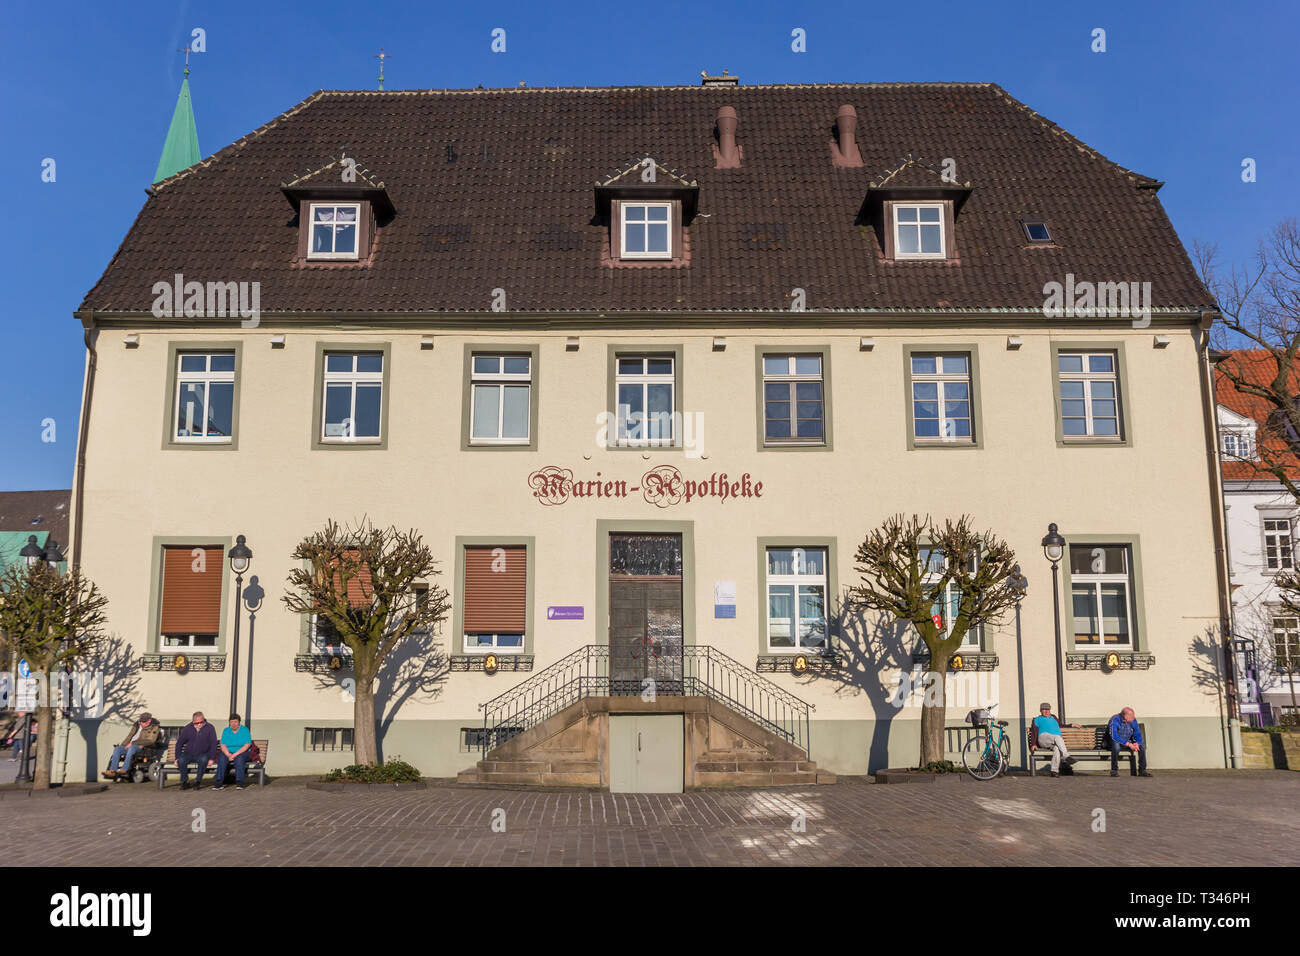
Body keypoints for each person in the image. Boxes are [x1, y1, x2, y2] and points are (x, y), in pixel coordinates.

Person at [1032, 702, 1082, 777]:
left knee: (1057, 749)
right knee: (1057, 737)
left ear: (1050, 710)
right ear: (1040, 711)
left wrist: (1072, 725)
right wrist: (1033, 744)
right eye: (1044, 709)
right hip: (1043, 738)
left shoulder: (1054, 717)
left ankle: (1054, 771)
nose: (1046, 711)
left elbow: (1061, 725)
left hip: (1053, 741)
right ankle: (1066, 756)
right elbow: (1034, 732)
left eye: (1047, 709)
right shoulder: (1037, 719)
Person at [104, 712, 161, 779]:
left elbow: (151, 741)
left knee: (131, 748)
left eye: (144, 722)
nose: (142, 723)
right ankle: (112, 770)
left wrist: (133, 743)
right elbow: (129, 736)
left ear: (149, 720)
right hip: (130, 745)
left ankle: (124, 769)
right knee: (117, 749)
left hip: (142, 748)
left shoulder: (154, 727)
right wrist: (123, 745)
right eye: (141, 722)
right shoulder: (136, 725)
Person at [173, 711, 218, 791]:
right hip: (189, 753)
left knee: (203, 760)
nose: (199, 724)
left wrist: (211, 758)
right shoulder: (188, 728)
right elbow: (179, 743)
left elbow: (213, 743)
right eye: (197, 723)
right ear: (193, 721)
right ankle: (184, 781)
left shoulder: (210, 727)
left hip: (203, 753)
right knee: (181, 760)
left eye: (201, 722)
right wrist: (177, 758)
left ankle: (198, 781)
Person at [1108, 706, 1153, 777]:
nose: (1134, 717)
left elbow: (1137, 733)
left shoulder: (1133, 720)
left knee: (1142, 746)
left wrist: (1137, 743)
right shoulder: (1115, 720)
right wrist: (1129, 744)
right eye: (1132, 715)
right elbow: (1114, 736)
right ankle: (1114, 770)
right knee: (1116, 747)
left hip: (1127, 742)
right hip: (1114, 742)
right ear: (1125, 716)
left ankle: (1142, 771)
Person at [213, 713, 252, 791]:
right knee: (221, 757)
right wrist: (227, 754)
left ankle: (240, 782)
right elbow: (223, 744)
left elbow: (247, 745)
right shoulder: (226, 730)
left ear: (239, 722)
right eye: (231, 722)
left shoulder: (245, 730)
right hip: (228, 752)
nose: (233, 724)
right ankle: (219, 782)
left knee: (239, 758)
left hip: (242, 752)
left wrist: (234, 755)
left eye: (235, 722)